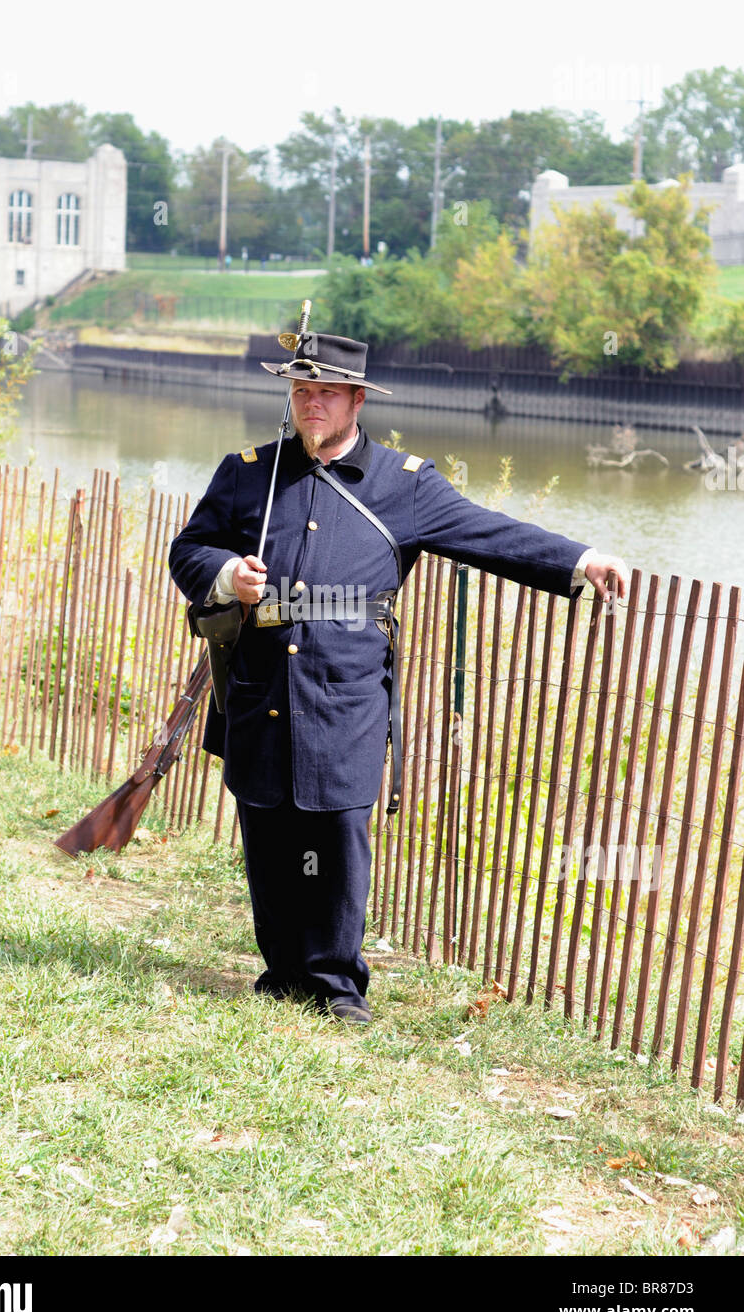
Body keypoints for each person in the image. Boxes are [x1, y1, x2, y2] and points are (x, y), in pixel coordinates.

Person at [169, 332, 629, 1024]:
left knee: (335, 835)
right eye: (300, 391)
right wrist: (224, 573)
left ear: (357, 399)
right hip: (261, 687)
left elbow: (488, 532)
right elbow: (190, 548)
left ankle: (334, 987)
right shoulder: (246, 473)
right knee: (267, 828)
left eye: (325, 392)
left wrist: (579, 558)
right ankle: (284, 974)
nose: (310, 403)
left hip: (345, 690)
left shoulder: (404, 484)